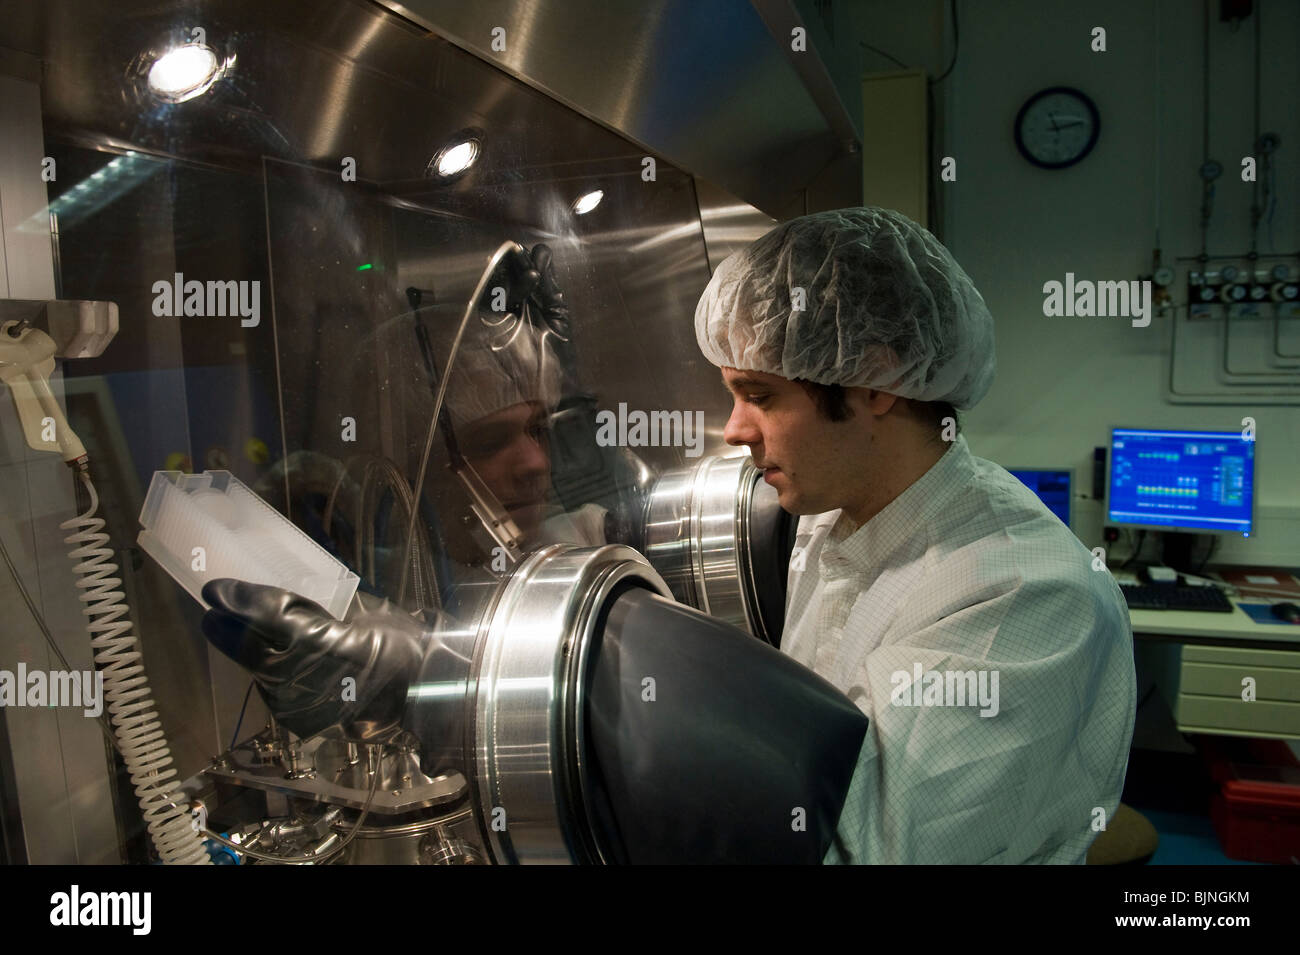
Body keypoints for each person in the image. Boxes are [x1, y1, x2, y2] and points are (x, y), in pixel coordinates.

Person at [694, 205, 1137, 863]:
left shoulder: (1018, 594)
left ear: (879, 381)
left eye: (760, 395)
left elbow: (859, 848)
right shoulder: (832, 515)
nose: (733, 429)